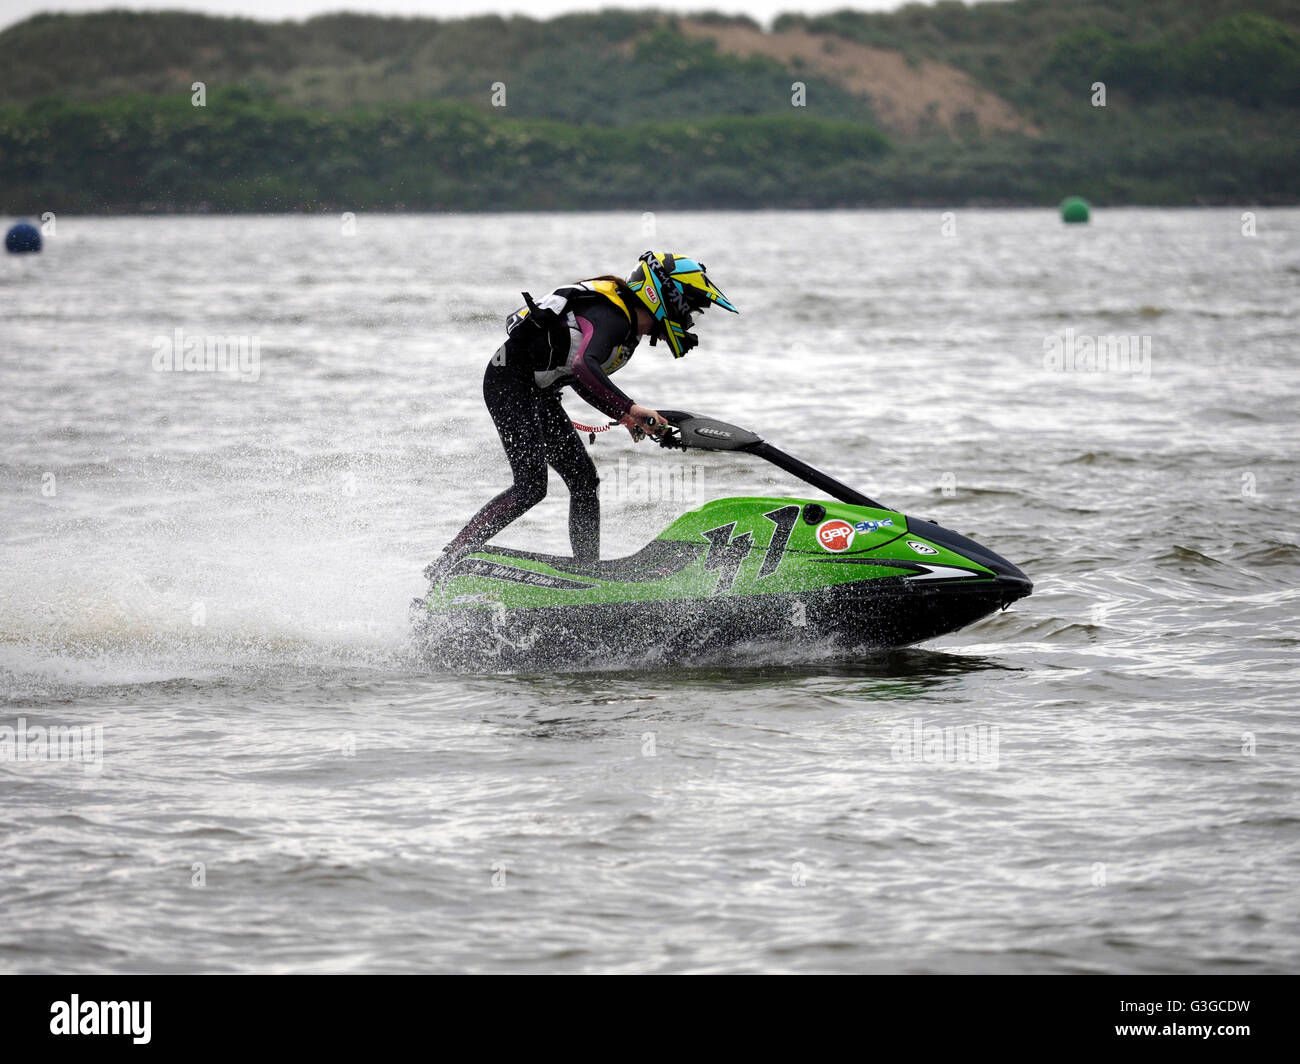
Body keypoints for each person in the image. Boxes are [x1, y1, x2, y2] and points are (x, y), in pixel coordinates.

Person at [425, 251, 738, 581]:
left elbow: (578, 377)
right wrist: (628, 408)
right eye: (689, 308)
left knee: (584, 481)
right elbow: (583, 367)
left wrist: (625, 414)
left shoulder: (626, 325)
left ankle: (587, 574)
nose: (689, 319)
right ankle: (448, 562)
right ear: (668, 296)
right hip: (507, 383)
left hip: (537, 392)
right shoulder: (613, 317)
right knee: (531, 487)